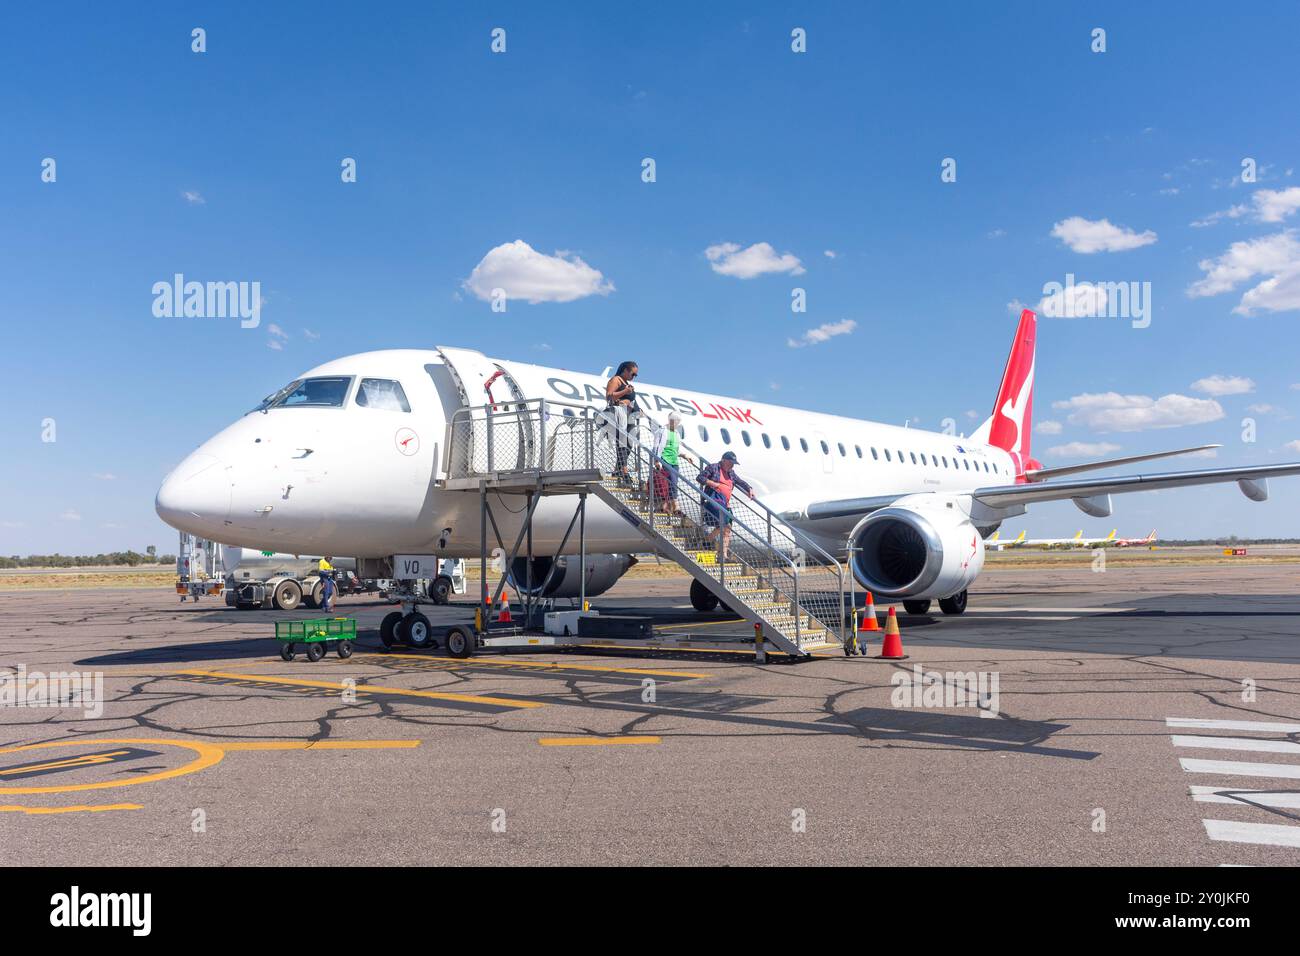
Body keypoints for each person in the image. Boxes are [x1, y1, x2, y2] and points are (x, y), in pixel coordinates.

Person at [696, 451, 753, 561]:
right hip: (712, 502)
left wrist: (749, 488)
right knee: (725, 525)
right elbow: (700, 478)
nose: (732, 465)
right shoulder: (713, 468)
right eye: (730, 462)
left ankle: (713, 546)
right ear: (723, 460)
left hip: (725, 504)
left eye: (733, 463)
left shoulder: (731, 472)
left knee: (726, 528)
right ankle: (717, 550)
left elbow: (740, 482)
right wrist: (715, 484)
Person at [605, 361, 639, 480]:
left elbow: (631, 400)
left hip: (629, 416)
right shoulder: (616, 380)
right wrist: (624, 392)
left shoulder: (627, 383)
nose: (633, 377)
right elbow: (609, 396)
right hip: (619, 415)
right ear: (625, 370)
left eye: (635, 375)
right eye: (633, 374)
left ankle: (617, 469)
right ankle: (624, 470)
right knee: (622, 441)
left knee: (630, 441)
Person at [653, 412, 682, 515]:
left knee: (670, 484)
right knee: (672, 482)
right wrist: (657, 460)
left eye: (678, 421)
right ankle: (675, 505)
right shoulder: (662, 431)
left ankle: (664, 506)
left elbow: (676, 449)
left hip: (674, 461)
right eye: (675, 421)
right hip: (665, 459)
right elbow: (657, 446)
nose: (677, 423)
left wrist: (684, 455)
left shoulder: (677, 433)